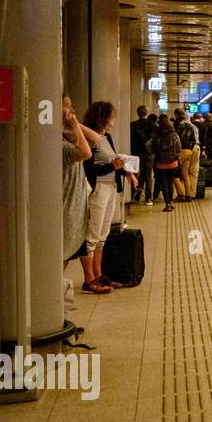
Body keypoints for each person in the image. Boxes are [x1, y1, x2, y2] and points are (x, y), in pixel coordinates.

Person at [81, 101, 138, 293]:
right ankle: (89, 280)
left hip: (111, 188)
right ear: (101, 118)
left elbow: (113, 162)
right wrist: (111, 167)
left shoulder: (107, 138)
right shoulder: (89, 139)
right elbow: (87, 168)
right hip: (98, 190)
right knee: (93, 234)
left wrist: (126, 171)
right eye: (111, 118)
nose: (113, 122)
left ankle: (99, 275)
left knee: (103, 235)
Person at [61, 94, 94, 294]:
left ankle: (56, 307)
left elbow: (95, 138)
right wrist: (74, 124)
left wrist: (73, 123)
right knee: (60, 256)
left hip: (72, 203)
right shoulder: (57, 141)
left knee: (63, 257)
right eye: (68, 106)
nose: (72, 111)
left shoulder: (63, 134)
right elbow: (86, 152)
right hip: (64, 205)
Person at [147, 113, 182, 212]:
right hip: (173, 162)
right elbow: (179, 147)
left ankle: (167, 204)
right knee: (170, 183)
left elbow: (149, 146)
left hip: (160, 162)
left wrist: (154, 153)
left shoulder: (156, 134)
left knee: (164, 184)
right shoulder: (174, 134)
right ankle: (170, 202)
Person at [129, 105, 154, 205]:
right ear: (146, 113)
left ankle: (135, 195)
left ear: (137, 113)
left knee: (134, 174)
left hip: (135, 153)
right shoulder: (152, 125)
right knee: (147, 175)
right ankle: (148, 198)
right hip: (148, 154)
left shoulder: (132, 125)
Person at [174, 108, 199, 202]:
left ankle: (181, 194)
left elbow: (176, 138)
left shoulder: (177, 124)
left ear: (176, 114)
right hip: (189, 150)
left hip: (180, 151)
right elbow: (194, 139)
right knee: (185, 174)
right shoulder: (190, 125)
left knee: (174, 174)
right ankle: (188, 195)